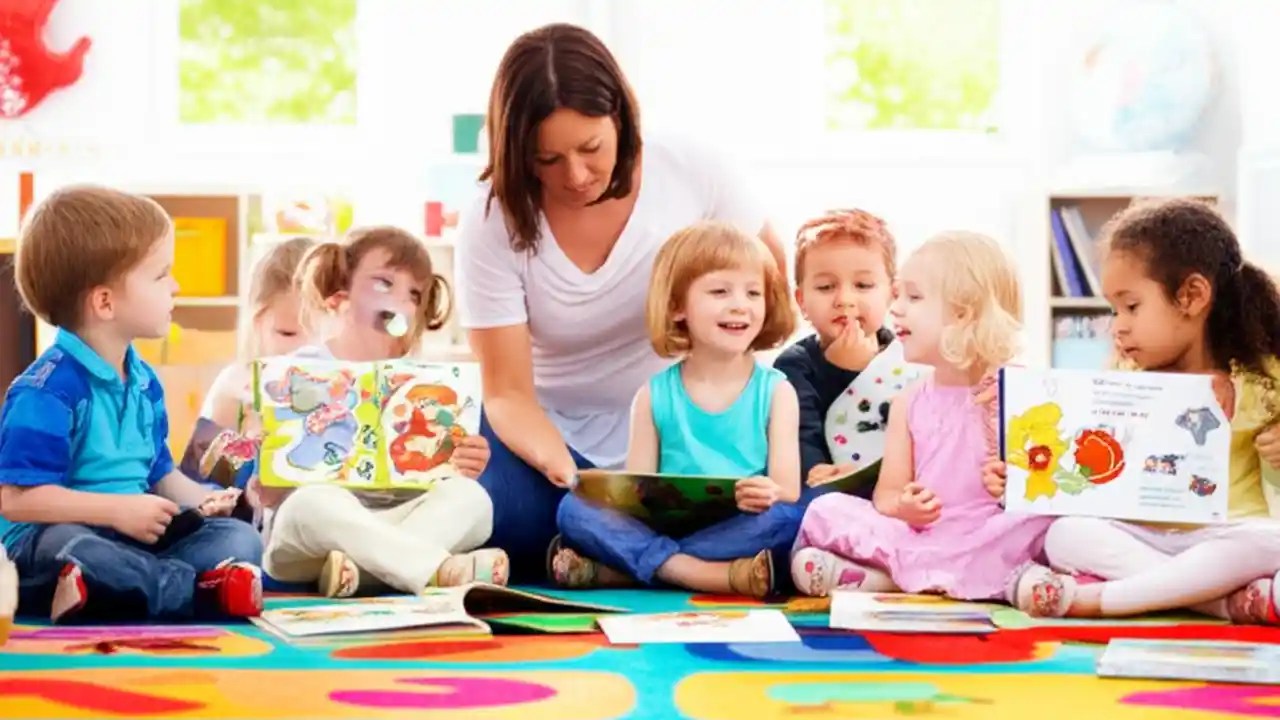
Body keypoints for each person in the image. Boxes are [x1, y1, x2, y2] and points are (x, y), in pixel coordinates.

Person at [457, 22, 789, 581]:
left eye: (591, 148)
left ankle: (626, 560)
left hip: (684, 435)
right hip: (549, 438)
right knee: (499, 516)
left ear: (622, 119)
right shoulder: (492, 219)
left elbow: (772, 295)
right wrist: (575, 477)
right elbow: (508, 395)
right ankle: (677, 559)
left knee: (787, 515)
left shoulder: (690, 170)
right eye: (548, 159)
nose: (578, 175)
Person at [998, 198, 1280, 623]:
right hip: (1141, 536)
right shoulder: (1123, 375)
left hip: (1229, 536)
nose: (1118, 326)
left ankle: (1101, 600)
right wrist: (1022, 474)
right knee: (1063, 535)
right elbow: (1089, 466)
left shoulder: (1260, 375)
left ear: (1192, 296)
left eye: (1132, 307)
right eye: (1114, 310)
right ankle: (1222, 603)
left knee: (1270, 542)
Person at [0, 185, 263, 622]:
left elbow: (159, 474)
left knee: (237, 540)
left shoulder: (144, 382)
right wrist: (116, 510)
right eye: (161, 275)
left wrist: (204, 501)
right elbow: (17, 500)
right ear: (105, 302)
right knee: (74, 546)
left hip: (130, 537)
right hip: (48, 540)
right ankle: (189, 593)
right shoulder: (46, 390)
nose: (175, 285)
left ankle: (111, 591)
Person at [790, 231, 1052, 598]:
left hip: (990, 532)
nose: (895, 309)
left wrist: (1013, 485)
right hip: (924, 534)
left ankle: (888, 579)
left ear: (962, 314)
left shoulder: (1021, 391)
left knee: (1047, 524)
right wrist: (905, 507)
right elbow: (887, 497)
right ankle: (988, 582)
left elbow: (1046, 485)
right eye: (897, 295)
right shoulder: (909, 401)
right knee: (825, 509)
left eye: (913, 297)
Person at [550, 222, 799, 597]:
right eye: (719, 291)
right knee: (572, 509)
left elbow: (788, 491)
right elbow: (639, 492)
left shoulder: (777, 391)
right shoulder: (653, 396)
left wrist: (769, 492)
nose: (740, 304)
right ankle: (701, 574)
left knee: (788, 520)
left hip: (739, 527)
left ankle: (632, 570)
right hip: (665, 529)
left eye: (753, 293)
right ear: (678, 307)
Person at [257, 226, 504, 598]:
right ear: (340, 295)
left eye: (414, 294)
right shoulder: (299, 373)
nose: (401, 302)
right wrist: (268, 472)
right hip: (315, 538)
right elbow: (270, 496)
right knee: (314, 502)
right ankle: (436, 569)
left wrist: (465, 459)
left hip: (388, 530)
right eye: (384, 284)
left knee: (474, 500)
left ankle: (366, 573)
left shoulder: (425, 384)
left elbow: (441, 474)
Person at [180, 237, 317, 520]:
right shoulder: (236, 388)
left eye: (322, 335)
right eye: (288, 333)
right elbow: (197, 487)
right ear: (258, 323)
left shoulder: (342, 386)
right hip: (251, 530)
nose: (303, 350)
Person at [773, 210, 899, 496]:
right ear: (802, 300)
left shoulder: (908, 358)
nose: (845, 300)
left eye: (863, 286)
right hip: (825, 496)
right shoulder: (794, 366)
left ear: (892, 294)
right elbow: (799, 439)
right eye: (826, 287)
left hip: (894, 494)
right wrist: (841, 372)